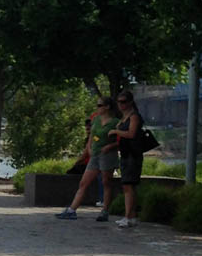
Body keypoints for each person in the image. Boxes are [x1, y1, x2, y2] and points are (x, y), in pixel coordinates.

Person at [56, 96, 120, 221]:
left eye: (100, 105)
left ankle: (105, 211)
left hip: (107, 155)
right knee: (83, 182)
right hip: (95, 155)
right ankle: (72, 210)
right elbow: (92, 135)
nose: (97, 108)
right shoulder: (96, 119)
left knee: (106, 182)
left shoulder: (115, 122)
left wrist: (110, 146)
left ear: (107, 107)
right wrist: (89, 148)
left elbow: (120, 140)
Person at [109, 90, 143, 228]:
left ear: (130, 102)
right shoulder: (124, 117)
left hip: (132, 155)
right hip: (125, 153)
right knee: (128, 186)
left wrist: (116, 131)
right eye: (119, 102)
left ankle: (128, 216)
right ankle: (132, 216)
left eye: (123, 102)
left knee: (128, 186)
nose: (121, 105)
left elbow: (131, 134)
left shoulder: (134, 116)